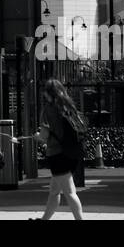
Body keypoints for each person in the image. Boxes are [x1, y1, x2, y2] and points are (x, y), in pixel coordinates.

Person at [33, 79, 85, 221]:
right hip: (72, 152)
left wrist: (37, 136)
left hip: (57, 155)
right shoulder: (68, 106)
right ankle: (44, 219)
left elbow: (44, 136)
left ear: (47, 93)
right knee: (54, 191)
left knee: (69, 192)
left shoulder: (48, 110)